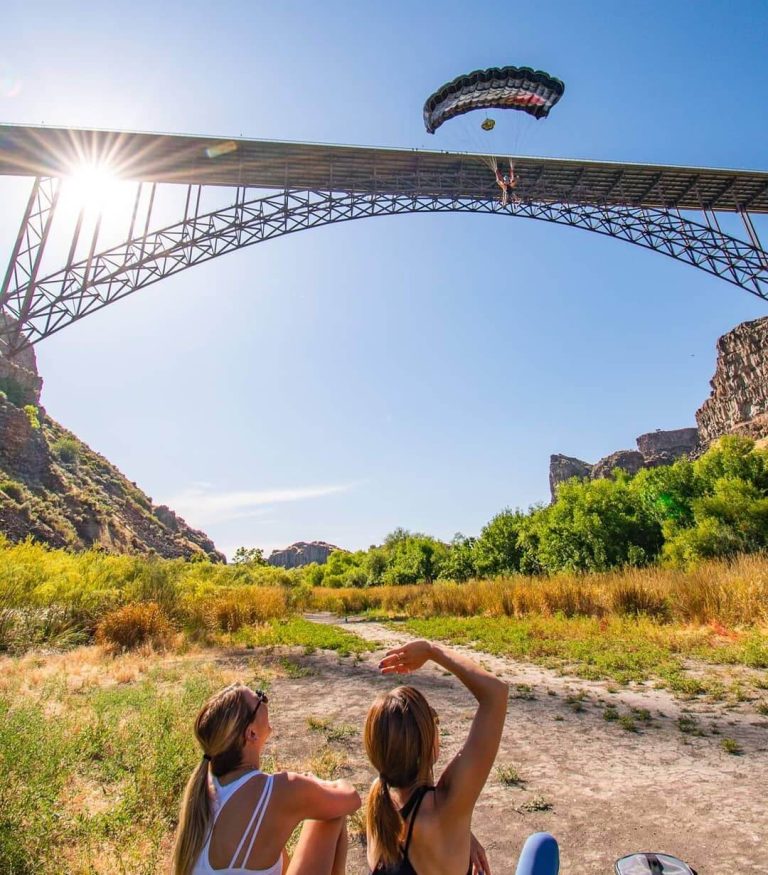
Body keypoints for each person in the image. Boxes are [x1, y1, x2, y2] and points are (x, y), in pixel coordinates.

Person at [364, 639, 559, 875]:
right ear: (427, 744)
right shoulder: (445, 807)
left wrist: (463, 832)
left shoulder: (379, 800)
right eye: (434, 720)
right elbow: (495, 694)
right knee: (542, 845)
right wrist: (432, 650)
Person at [173, 682, 360, 875]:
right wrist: (316, 784)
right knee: (331, 811)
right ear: (251, 733)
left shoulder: (205, 788)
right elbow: (351, 798)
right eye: (260, 698)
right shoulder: (277, 790)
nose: (265, 700)